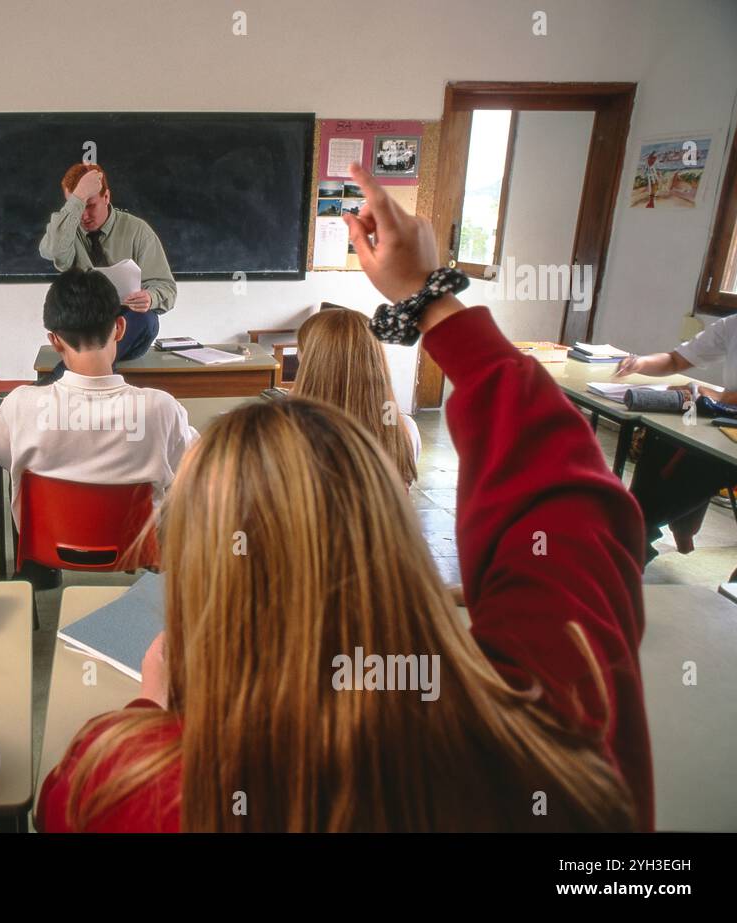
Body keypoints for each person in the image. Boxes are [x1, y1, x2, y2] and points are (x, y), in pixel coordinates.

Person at [36, 164, 651, 832]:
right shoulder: (553, 731)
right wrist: (430, 298)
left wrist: (148, 710)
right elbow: (566, 503)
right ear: (386, 531)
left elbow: (65, 801)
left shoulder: (129, 786)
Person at [0, 269, 198, 586]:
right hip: (137, 547)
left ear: (54, 340)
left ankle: (38, 579)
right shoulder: (161, 407)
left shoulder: (19, 404)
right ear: (119, 328)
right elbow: (194, 462)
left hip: (47, 545)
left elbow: (6, 459)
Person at [615, 315, 737, 560]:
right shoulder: (735, 324)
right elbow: (675, 360)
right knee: (662, 439)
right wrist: (639, 364)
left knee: (694, 460)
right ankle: (635, 529)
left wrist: (721, 397)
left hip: (728, 435)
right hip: (727, 424)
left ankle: (633, 536)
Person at [38, 163, 175, 376]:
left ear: (107, 197)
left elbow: (167, 288)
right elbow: (52, 250)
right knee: (62, 308)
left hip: (127, 324)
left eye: (90, 205)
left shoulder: (138, 231)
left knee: (146, 318)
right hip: (85, 324)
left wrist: (150, 297)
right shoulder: (67, 231)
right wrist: (79, 197)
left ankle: (67, 376)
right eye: (77, 205)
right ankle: (96, 373)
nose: (83, 215)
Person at [291, 307, 420, 487]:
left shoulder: (286, 434)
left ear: (311, 363)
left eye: (300, 349)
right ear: (375, 359)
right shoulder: (404, 430)